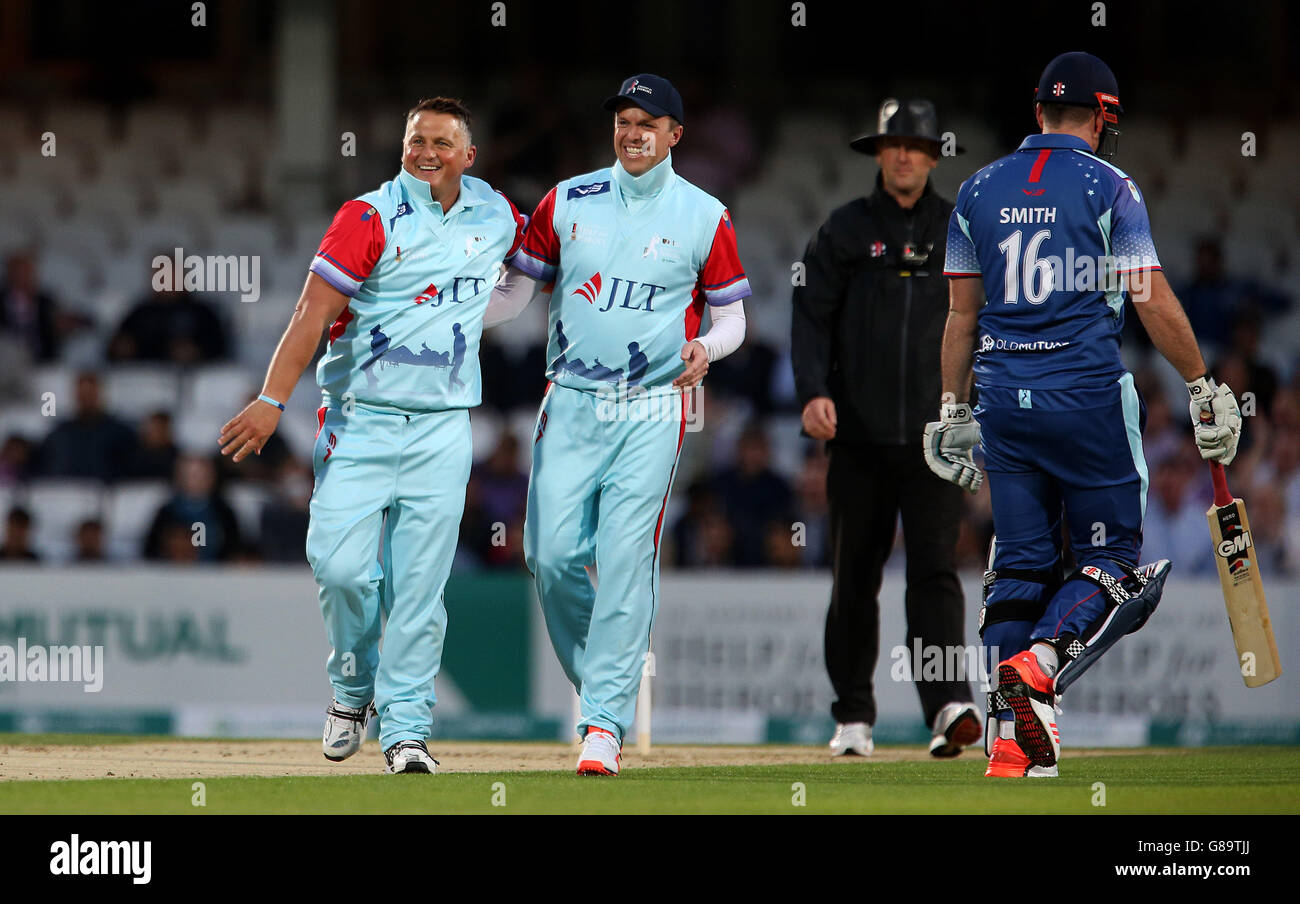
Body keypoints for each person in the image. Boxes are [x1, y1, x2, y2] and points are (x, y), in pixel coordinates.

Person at [929, 52, 1240, 778]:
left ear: (1037, 113)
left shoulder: (974, 190)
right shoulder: (1111, 185)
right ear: (1104, 118)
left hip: (1002, 399)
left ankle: (1010, 741)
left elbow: (958, 316)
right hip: (1088, 398)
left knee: (1021, 568)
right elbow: (1149, 297)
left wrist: (950, 410)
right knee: (1113, 560)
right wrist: (1201, 385)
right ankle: (1040, 667)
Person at [218, 97, 526, 775]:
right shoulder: (368, 215)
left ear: (468, 156)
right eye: (418, 138)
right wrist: (272, 399)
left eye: (444, 142)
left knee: (420, 588)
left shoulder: (497, 213)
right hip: (359, 420)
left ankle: (408, 731)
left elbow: (534, 267)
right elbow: (310, 311)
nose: (428, 151)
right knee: (341, 569)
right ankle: (353, 689)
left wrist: (477, 315)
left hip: (444, 431)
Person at [487, 73, 750, 775]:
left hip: (654, 407)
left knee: (628, 557)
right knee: (549, 557)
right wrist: (448, 318)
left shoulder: (704, 214)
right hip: (569, 401)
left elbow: (732, 318)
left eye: (648, 122)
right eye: (624, 121)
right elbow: (517, 291)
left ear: (675, 135)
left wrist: (706, 348)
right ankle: (602, 688)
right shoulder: (566, 199)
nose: (633, 133)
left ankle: (601, 721)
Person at [792, 99, 981, 759]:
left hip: (938, 438)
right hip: (860, 439)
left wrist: (977, 408)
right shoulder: (844, 231)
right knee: (854, 578)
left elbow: (987, 320)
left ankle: (948, 705)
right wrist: (813, 392)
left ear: (933, 155)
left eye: (915, 145)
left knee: (935, 575)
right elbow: (810, 316)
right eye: (892, 144)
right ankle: (852, 718)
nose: (903, 155)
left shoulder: (963, 226)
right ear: (878, 153)